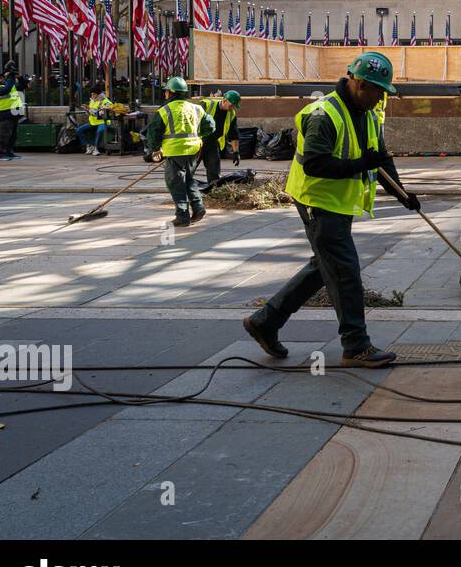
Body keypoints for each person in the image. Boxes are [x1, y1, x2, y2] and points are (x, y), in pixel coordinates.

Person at [243, 51, 419, 368]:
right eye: (379, 91)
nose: (382, 98)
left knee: (325, 267)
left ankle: (266, 321)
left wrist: (401, 193)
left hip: (337, 201)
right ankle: (356, 346)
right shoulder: (324, 115)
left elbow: (380, 157)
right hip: (316, 199)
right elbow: (315, 163)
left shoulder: (368, 112)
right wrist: (359, 165)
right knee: (345, 270)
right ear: (360, 84)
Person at [144, 76, 215, 227]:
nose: (165, 94)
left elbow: (154, 133)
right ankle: (198, 207)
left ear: (170, 92)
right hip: (193, 150)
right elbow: (211, 126)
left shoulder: (164, 110)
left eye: (166, 91)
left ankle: (182, 216)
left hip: (175, 151)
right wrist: (198, 135)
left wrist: (154, 150)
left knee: (175, 182)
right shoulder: (196, 108)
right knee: (189, 179)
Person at [199, 90, 242, 188]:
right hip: (197, 142)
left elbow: (233, 134)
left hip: (212, 144)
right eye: (231, 105)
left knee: (214, 168)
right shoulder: (206, 105)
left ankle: (213, 189)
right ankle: (183, 190)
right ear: (224, 100)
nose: (232, 108)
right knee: (189, 168)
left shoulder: (231, 114)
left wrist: (236, 152)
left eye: (234, 106)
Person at [0, 63, 29, 161]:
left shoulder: (9, 85)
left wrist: (19, 76)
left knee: (13, 135)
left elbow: (24, 86)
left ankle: (9, 152)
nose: (0, 78)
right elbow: (6, 90)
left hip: (14, 112)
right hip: (4, 113)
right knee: (4, 135)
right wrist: (10, 77)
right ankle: (1, 154)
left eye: (1, 76)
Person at [77, 87, 115, 155]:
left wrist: (105, 108)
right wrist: (87, 108)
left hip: (103, 122)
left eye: (94, 94)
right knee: (79, 130)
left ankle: (96, 148)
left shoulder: (104, 101)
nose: (92, 95)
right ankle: (88, 146)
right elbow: (92, 110)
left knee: (99, 131)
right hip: (93, 122)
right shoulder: (92, 100)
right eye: (92, 94)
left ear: (98, 94)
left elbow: (110, 107)